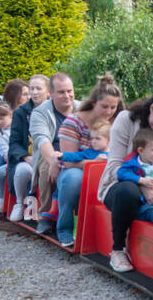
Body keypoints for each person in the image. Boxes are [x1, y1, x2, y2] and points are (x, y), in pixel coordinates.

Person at [99, 88, 153, 261]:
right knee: (128, 191)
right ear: (152, 108)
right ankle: (118, 250)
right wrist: (143, 184)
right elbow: (114, 166)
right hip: (120, 186)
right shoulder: (126, 120)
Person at [50, 84, 122, 246]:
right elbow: (68, 162)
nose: (109, 111)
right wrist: (93, 164)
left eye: (113, 107)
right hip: (76, 169)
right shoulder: (74, 121)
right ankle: (65, 228)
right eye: (104, 106)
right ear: (94, 102)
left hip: (108, 169)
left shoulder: (116, 122)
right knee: (74, 179)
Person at [108, 129, 153, 271]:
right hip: (144, 202)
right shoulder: (133, 164)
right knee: (148, 210)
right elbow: (121, 173)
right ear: (141, 151)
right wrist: (140, 180)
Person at [29, 73, 76, 231]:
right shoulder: (40, 113)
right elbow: (42, 140)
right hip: (51, 152)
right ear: (51, 93)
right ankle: (45, 214)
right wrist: (53, 161)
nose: (67, 95)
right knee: (45, 168)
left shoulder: (82, 108)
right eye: (61, 92)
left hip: (76, 152)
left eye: (69, 91)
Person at [6, 74, 49, 222]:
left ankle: (47, 211)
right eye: (32, 88)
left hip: (48, 157)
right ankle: (19, 203)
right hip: (28, 156)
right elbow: (14, 142)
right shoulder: (20, 113)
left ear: (48, 91)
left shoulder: (53, 110)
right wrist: (26, 157)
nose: (34, 92)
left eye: (39, 88)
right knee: (24, 170)